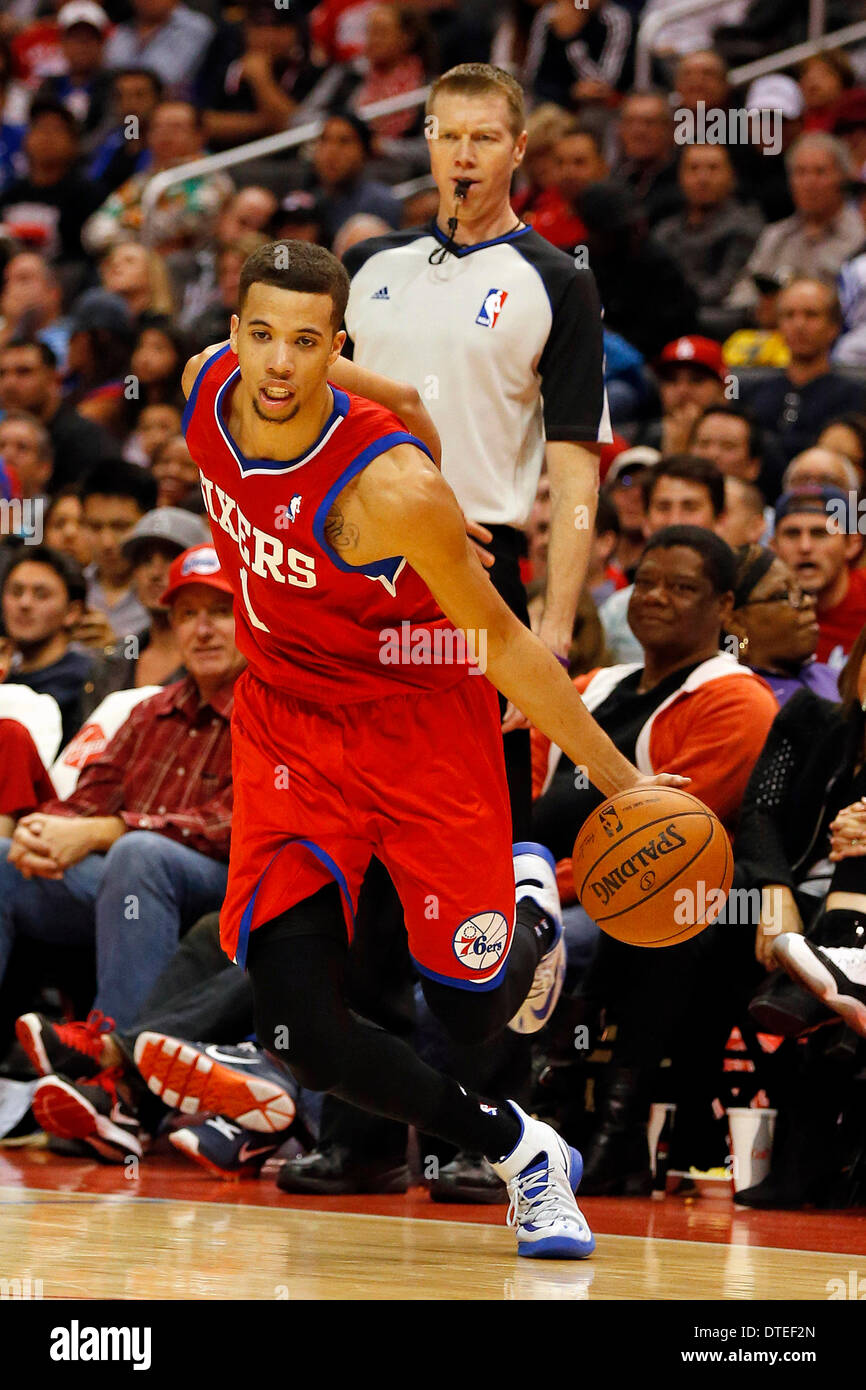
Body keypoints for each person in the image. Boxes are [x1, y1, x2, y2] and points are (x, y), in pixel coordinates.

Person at [178, 238, 684, 1258]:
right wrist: (438, 487)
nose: (280, 364)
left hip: (419, 722)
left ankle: (527, 917)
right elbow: (408, 396)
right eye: (263, 336)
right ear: (232, 337)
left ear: (336, 345)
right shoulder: (203, 385)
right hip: (287, 721)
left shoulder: (391, 493)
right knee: (305, 1032)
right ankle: (523, 1152)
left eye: (308, 344)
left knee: (469, 997)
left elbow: (497, 640)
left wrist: (624, 784)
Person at [530, 526, 779, 1193]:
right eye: (644, 582)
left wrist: (536, 892)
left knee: (530, 948)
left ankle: (566, 1121)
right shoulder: (586, 687)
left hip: (620, 905)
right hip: (533, 886)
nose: (656, 597)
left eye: (682, 587)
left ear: (725, 606)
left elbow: (661, 847)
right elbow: (516, 796)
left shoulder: (736, 700)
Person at [0, 544, 241, 1074]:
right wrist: (40, 829)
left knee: (139, 855)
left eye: (220, 612)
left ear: (251, 617)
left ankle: (111, 1072)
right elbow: (89, 797)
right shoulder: (149, 709)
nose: (202, 630)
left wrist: (105, 831)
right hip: (127, 880)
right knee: (1, 856)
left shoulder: (272, 707)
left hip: (231, 889)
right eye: (187, 615)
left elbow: (236, 825)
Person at [599, 454, 727, 664]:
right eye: (663, 507)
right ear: (646, 521)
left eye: (690, 507)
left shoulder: (743, 602)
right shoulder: (617, 613)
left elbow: (745, 651)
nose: (675, 521)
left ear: (720, 520)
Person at [738, 277, 864, 489]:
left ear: (834, 327)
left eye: (811, 315)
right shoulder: (749, 393)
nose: (799, 325)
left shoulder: (856, 397)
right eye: (789, 315)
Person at [81, 505, 207, 714]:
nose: (155, 573)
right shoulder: (112, 661)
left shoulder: (217, 661)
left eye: (171, 559)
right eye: (145, 561)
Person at [726, 133, 865, 315]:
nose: (809, 183)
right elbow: (743, 292)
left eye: (820, 172)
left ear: (843, 179)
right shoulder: (775, 234)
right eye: (800, 172)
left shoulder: (860, 236)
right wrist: (759, 306)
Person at [81, 100, 234, 257]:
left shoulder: (213, 176)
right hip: (138, 260)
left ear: (200, 135)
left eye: (176, 127)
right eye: (158, 127)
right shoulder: (141, 181)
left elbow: (189, 223)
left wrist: (129, 226)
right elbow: (94, 231)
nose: (165, 134)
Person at [653, 144, 764, 336]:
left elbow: (722, 290)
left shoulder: (746, 227)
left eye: (713, 168)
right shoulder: (665, 231)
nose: (703, 178)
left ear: (731, 175)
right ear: (680, 177)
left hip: (723, 325)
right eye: (693, 168)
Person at [1, 545, 93, 746]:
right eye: (16, 592)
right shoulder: (6, 676)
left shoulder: (88, 680)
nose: (24, 603)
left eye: (41, 594)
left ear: (72, 612)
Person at [729, 542, 839, 704]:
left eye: (801, 592)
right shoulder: (734, 699)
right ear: (735, 622)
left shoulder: (836, 679)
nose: (807, 601)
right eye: (783, 594)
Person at [0, 338, 112, 490]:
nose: (9, 383)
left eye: (24, 372)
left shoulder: (84, 439)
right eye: (2, 373)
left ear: (53, 377)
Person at [80, 458, 157, 640]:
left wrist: (115, 651)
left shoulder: (163, 597)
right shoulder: (70, 591)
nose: (107, 542)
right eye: (95, 527)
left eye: (120, 527)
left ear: (150, 520)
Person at [306, 111, 402, 248]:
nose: (330, 152)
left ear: (364, 151)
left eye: (344, 141)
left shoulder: (381, 202)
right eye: (324, 140)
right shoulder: (307, 197)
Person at [102, 0, 215, 101]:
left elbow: (169, 77)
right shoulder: (121, 31)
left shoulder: (196, 27)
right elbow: (109, 75)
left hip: (172, 109)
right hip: (121, 111)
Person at [637, 335, 728, 455]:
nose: (682, 390)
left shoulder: (743, 437)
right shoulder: (643, 437)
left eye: (697, 380)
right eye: (672, 380)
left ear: (722, 389)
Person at [0, 410, 54, 500]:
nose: (8, 454)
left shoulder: (55, 512)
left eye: (22, 447)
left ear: (44, 468)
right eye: (1, 445)